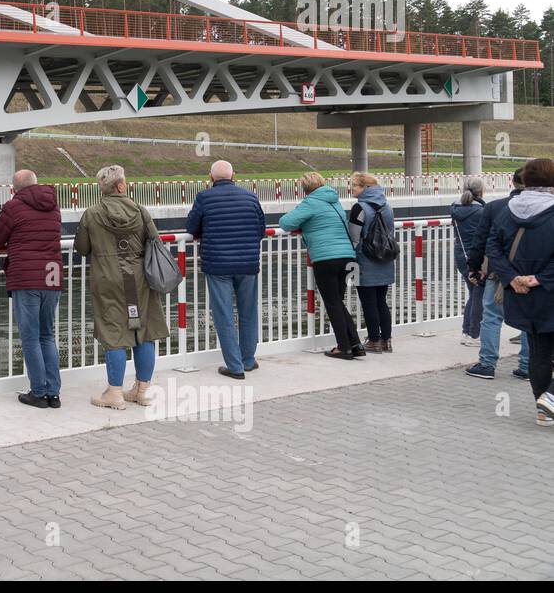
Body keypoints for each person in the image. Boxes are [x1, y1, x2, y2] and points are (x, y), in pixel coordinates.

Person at [74, 165, 169, 409]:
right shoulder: (139, 210)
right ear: (122, 186)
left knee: (113, 332)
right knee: (144, 331)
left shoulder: (92, 214)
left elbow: (82, 248)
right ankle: (143, 390)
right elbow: (155, 241)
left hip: (108, 278)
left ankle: (114, 392)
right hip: (139, 278)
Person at [0, 169, 63, 408]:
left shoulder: (13, 207)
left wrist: (11, 244)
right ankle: (54, 393)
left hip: (27, 277)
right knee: (47, 335)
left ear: (15, 188)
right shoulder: (54, 206)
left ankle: (38, 393)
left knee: (30, 338)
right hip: (52, 274)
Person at [486, 158, 554, 426]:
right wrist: (538, 278)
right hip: (548, 289)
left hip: (521, 294)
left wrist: (511, 277)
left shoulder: (507, 210)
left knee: (539, 351)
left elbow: (493, 247)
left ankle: (543, 410)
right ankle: (549, 399)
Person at [185, 160, 265, 379]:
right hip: (248, 263)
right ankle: (248, 360)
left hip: (218, 264)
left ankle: (235, 366)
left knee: (224, 315)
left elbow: (191, 228)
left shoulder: (204, 197)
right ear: (234, 175)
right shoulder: (250, 196)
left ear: (211, 178)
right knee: (248, 312)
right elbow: (260, 230)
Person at [279, 172, 363, 359]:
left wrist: (302, 225)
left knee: (332, 303)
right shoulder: (334, 201)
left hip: (326, 258)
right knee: (337, 302)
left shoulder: (310, 203)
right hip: (347, 256)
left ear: (305, 188)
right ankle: (355, 344)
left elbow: (285, 223)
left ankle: (344, 347)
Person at [468, 167, 531, 380]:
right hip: (532, 276)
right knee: (528, 320)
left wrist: (474, 267)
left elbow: (480, 240)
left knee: (492, 317)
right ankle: (527, 366)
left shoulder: (495, 207)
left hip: (498, 272)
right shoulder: (547, 208)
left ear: (512, 183)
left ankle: (487, 364)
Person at [348, 172, 397, 353]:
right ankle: (386, 341)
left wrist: (348, 261)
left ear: (364, 188)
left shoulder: (359, 208)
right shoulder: (387, 206)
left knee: (368, 302)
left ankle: (374, 340)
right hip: (385, 258)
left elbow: (353, 237)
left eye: (354, 186)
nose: (351, 189)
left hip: (364, 259)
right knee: (381, 301)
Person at [450, 178, 486, 350]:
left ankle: (467, 332)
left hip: (461, 255)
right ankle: (473, 333)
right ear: (481, 191)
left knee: (473, 293)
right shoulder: (482, 211)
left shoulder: (455, 209)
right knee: (478, 294)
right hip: (477, 258)